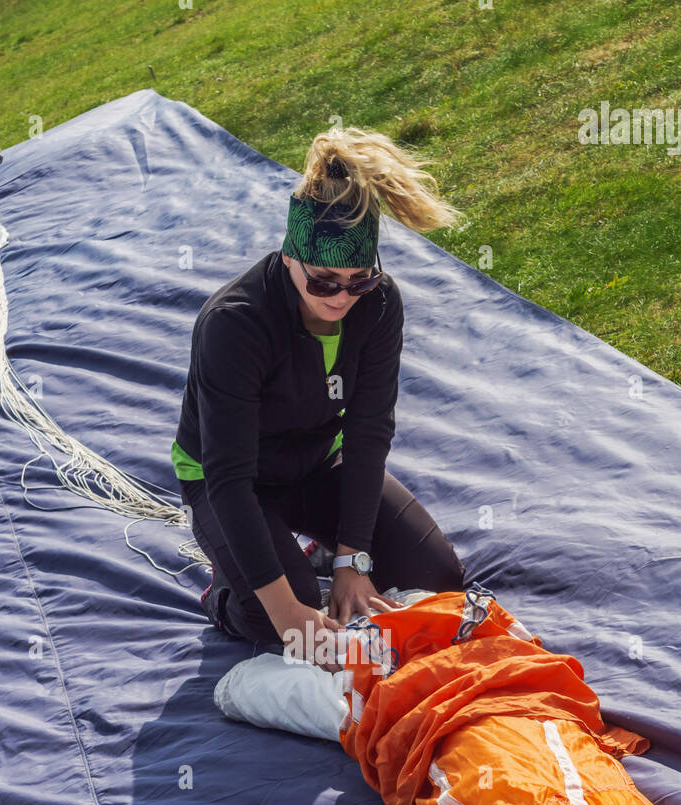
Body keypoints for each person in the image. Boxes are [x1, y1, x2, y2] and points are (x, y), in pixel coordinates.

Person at [173, 124, 466, 668]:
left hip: (316, 463)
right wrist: (287, 614)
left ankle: (318, 550)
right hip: (232, 484)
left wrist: (354, 559)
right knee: (285, 613)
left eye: (359, 280)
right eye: (324, 281)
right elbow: (228, 479)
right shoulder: (234, 324)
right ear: (290, 259)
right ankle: (223, 598)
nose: (342, 297)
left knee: (437, 576)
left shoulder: (378, 305)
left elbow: (369, 429)